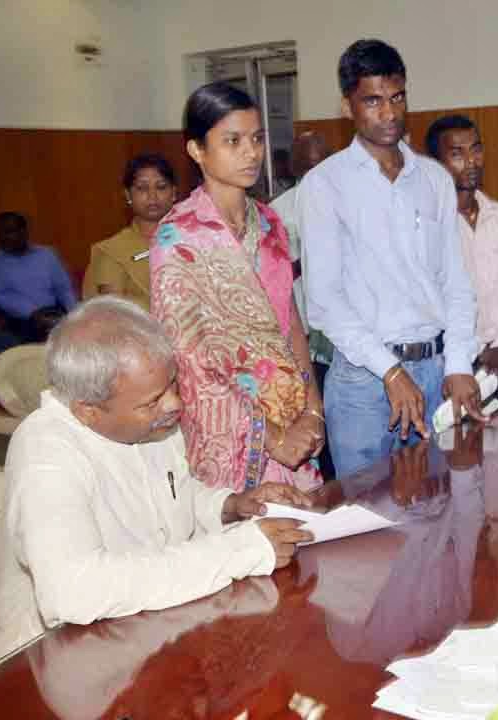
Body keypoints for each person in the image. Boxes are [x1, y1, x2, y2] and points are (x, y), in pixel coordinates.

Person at [0, 297, 314, 658]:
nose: (175, 404)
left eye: (173, 385)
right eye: (153, 401)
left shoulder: (145, 422)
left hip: (151, 627)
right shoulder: (45, 454)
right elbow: (74, 591)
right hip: (57, 661)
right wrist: (240, 550)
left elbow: (172, 494)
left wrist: (230, 506)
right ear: (88, 412)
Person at [301, 39, 483, 479]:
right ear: (348, 106)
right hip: (365, 383)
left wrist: (458, 365)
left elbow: (455, 282)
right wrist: (390, 370)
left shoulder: (434, 179)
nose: (389, 113)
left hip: (435, 373)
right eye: (373, 101)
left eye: (397, 98)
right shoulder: (325, 185)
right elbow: (324, 300)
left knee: (438, 519)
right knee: (369, 531)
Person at [151, 82, 324, 492]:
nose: (251, 152)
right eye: (232, 141)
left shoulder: (269, 223)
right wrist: (270, 437)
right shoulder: (179, 237)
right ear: (197, 150)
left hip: (292, 411)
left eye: (257, 138)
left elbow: (290, 322)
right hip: (231, 433)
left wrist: (313, 408)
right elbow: (188, 359)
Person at [427, 114, 498, 404]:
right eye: (457, 153)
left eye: (476, 149)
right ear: (436, 163)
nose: (471, 161)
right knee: (453, 447)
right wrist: (467, 354)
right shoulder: (430, 224)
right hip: (450, 364)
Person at [271, 130, 336, 477]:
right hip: (303, 349)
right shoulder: (276, 214)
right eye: (307, 166)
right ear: (293, 167)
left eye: (322, 163)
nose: (315, 173)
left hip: (345, 345)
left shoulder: (349, 202)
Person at [84, 154, 177, 310]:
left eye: (161, 187)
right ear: (128, 195)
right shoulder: (112, 251)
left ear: (174, 193)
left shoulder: (194, 240)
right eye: (142, 188)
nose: (152, 196)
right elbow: (114, 313)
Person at [0, 211, 76, 343]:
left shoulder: (47, 254)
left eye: (9, 231)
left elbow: (64, 288)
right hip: (21, 319)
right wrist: (31, 312)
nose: (2, 237)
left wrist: (74, 314)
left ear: (24, 232)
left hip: (54, 312)